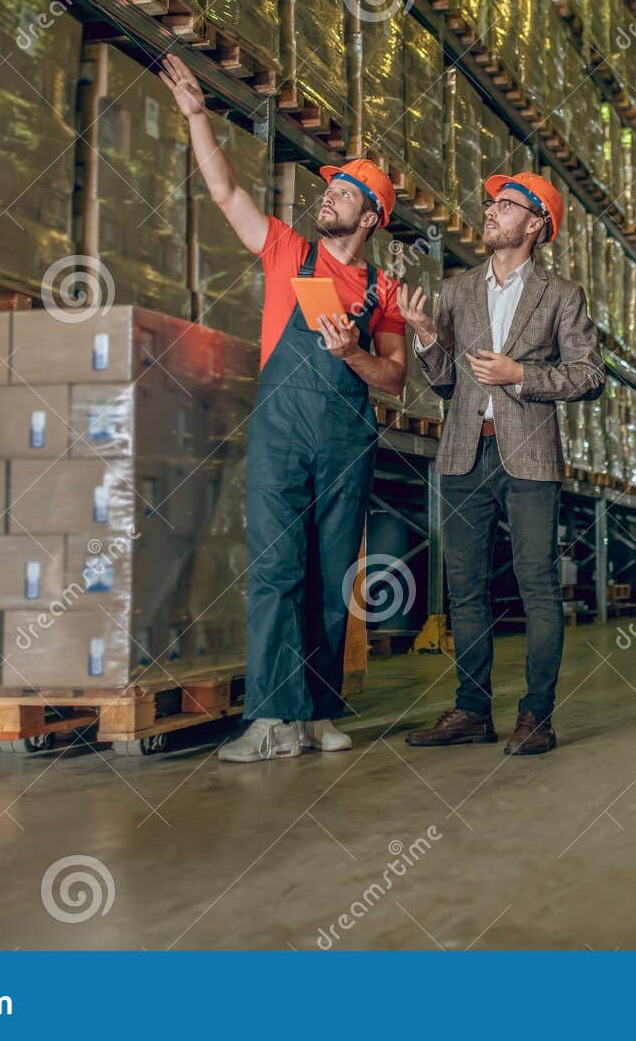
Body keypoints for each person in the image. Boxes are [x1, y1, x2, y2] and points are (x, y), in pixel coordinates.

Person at [159, 54, 408, 763]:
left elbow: (392, 378)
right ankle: (271, 716)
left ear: (370, 215)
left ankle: (318, 712)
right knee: (275, 568)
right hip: (279, 434)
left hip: (344, 440)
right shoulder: (288, 254)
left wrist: (350, 352)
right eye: (332, 188)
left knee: (333, 576)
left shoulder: (382, 290)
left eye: (347, 191)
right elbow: (226, 190)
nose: (329, 197)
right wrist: (197, 118)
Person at [397, 172, 604, 755]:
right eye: (490, 203)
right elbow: (444, 382)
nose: (491, 211)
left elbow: (590, 377)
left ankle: (536, 716)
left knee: (536, 584)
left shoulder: (562, 296)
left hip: (530, 455)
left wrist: (523, 378)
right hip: (464, 451)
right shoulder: (458, 291)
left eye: (507, 206)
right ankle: (471, 711)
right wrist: (423, 338)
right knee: (464, 588)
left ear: (536, 225)